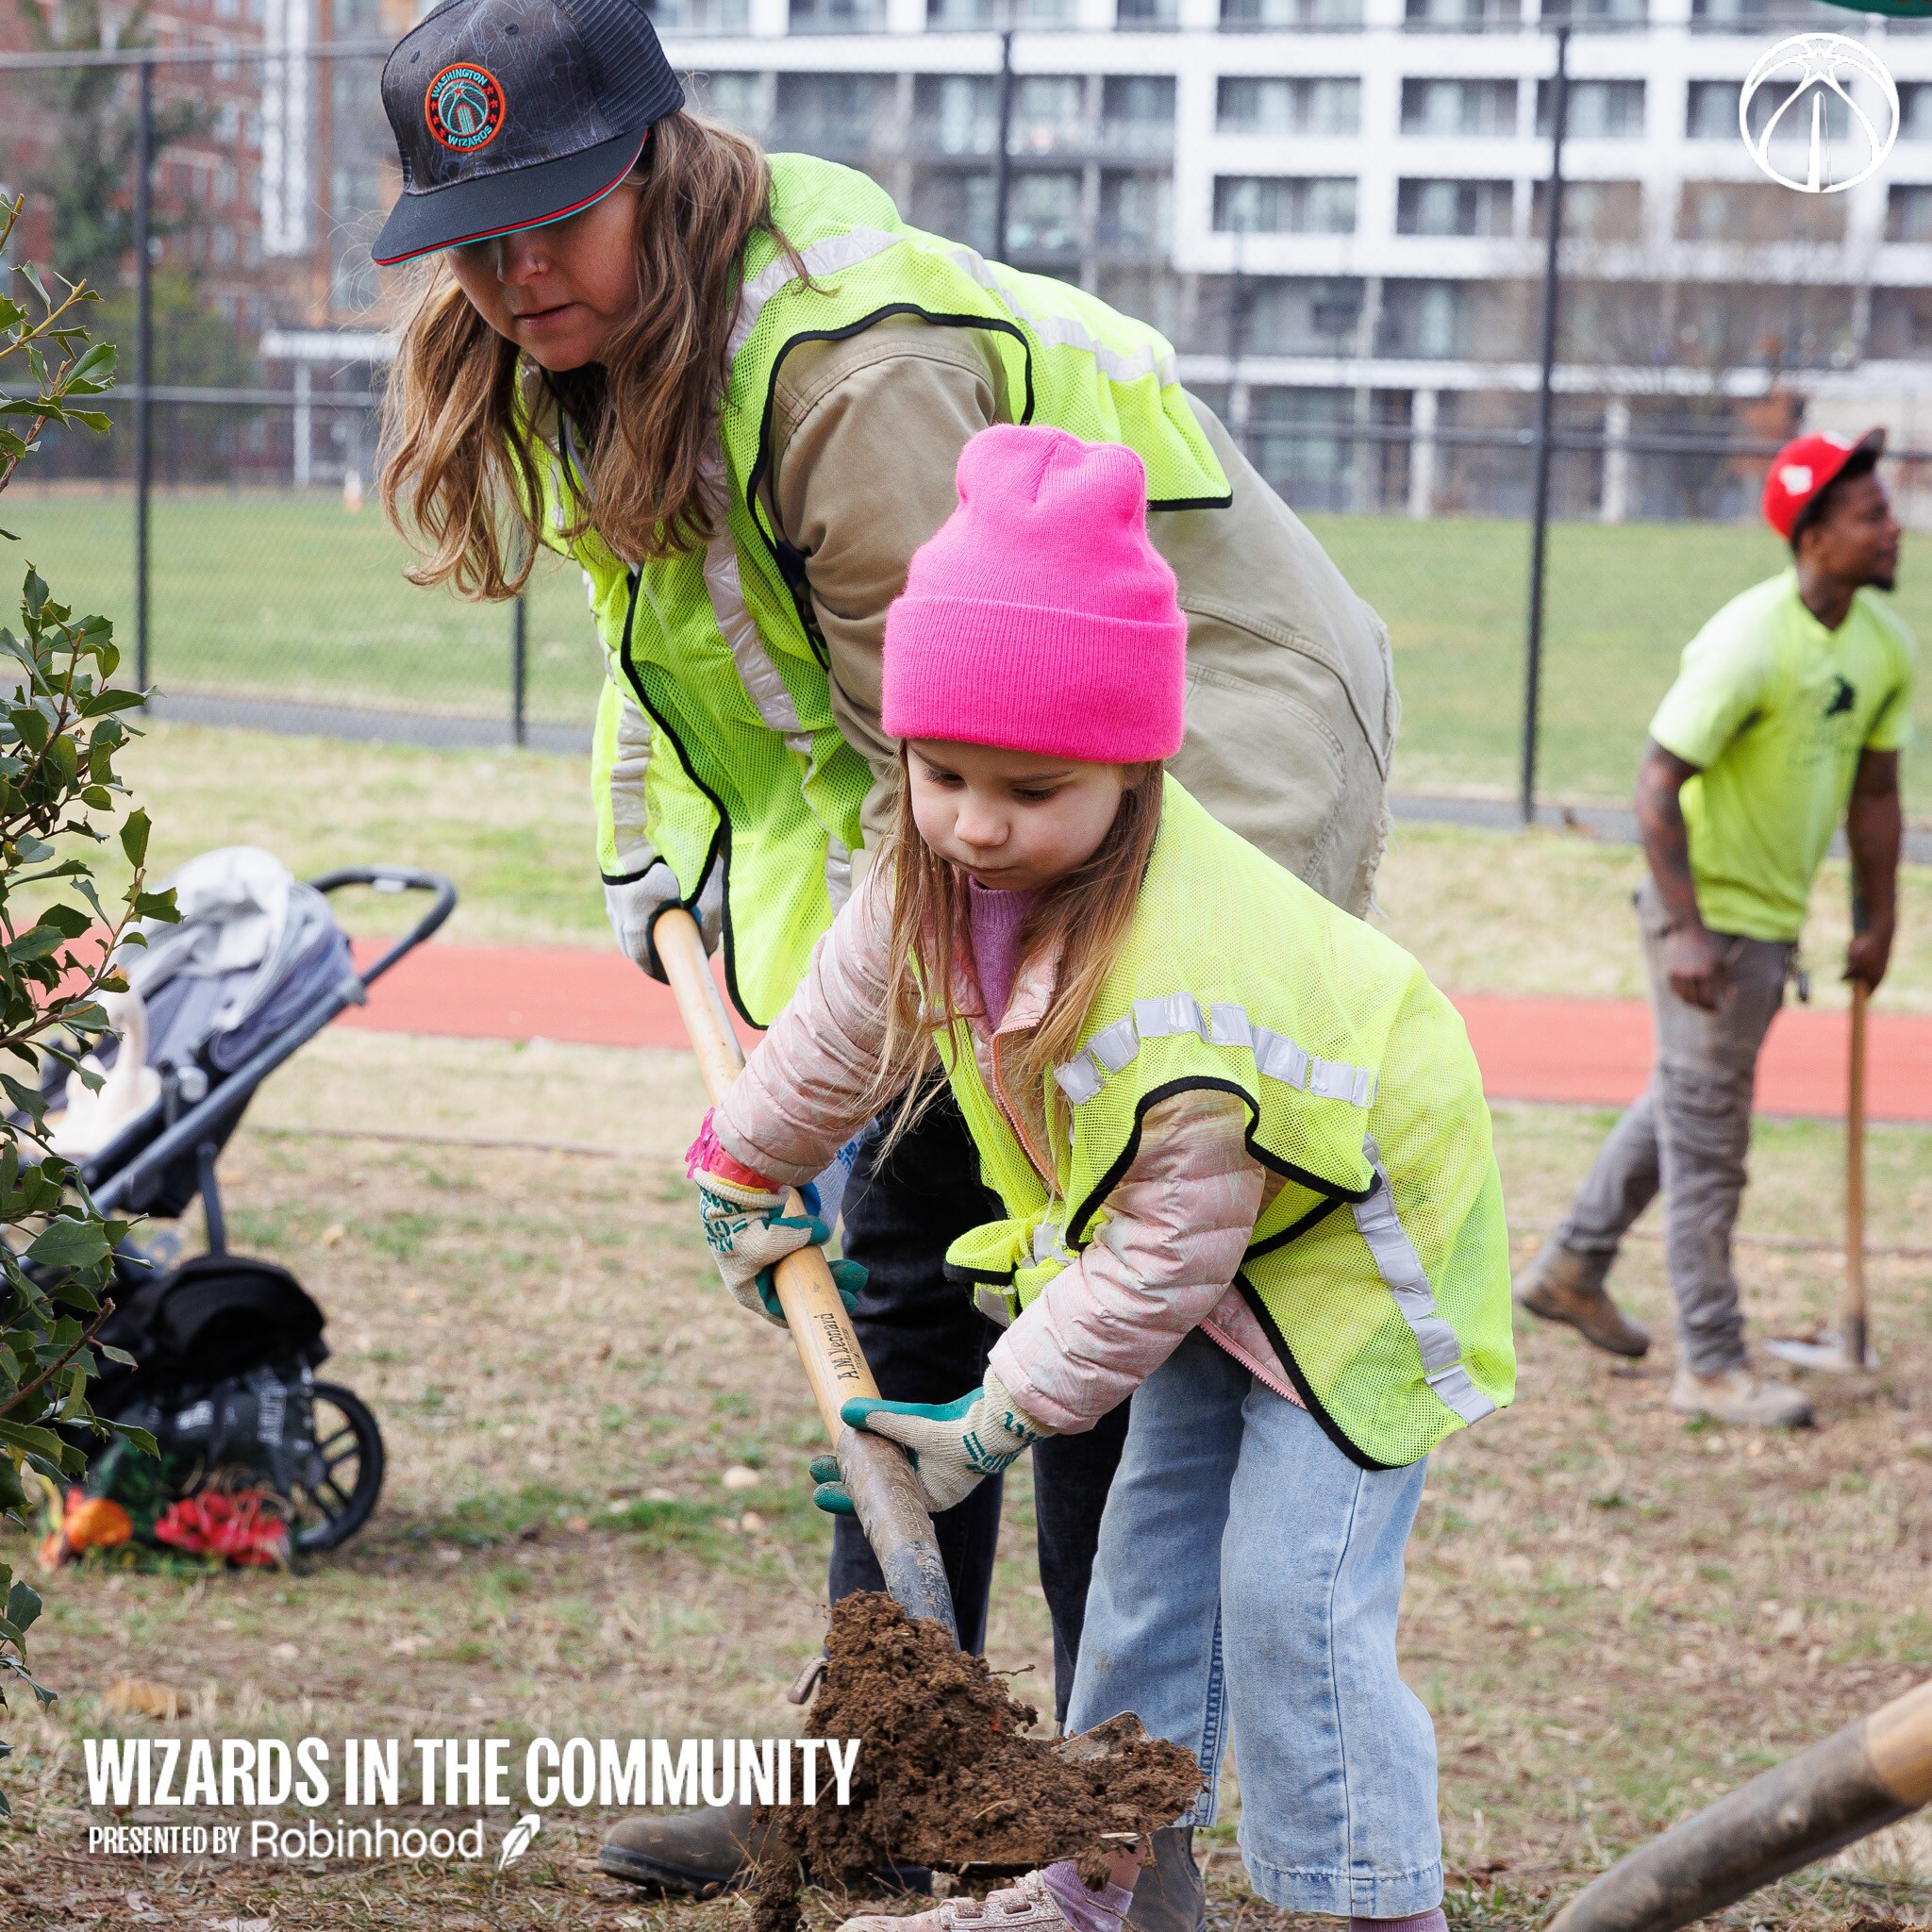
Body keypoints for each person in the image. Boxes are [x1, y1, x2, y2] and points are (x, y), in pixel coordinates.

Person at [373, 0, 1395, 1907]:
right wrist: (649, 865)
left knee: (1088, 1283)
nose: (515, 276)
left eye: (553, 223)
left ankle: (1114, 1832)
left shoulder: (846, 376)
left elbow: (955, 785)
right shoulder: (590, 347)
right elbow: (670, 667)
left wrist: (803, 1104)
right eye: (476, 238)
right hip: (952, 789)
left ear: (653, 167)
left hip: (1189, 735)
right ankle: (875, 1786)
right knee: (910, 1262)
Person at [690, 425, 1515, 1932]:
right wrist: (748, 1161)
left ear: (1132, 771)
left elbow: (1154, 1263)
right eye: (941, 774)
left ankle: (1384, 1910)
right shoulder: (946, 868)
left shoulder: (1180, 993)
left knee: (1288, 1600)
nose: (976, 824)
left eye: (1029, 788)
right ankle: (1089, 1887)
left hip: (1356, 1254)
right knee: (1143, 1574)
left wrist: (991, 1421)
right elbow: (842, 1017)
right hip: (1223, 1240)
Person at [1514, 428, 1913, 1429]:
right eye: (1869, 515)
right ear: (1812, 537)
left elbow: (1873, 794)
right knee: (1709, 1141)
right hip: (1703, 924)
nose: (1893, 526)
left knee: (1686, 1103)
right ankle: (1712, 1359)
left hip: (1768, 925)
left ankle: (1570, 1265)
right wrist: (1684, 930)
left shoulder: (1881, 647)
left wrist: (1877, 917)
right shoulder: (1747, 639)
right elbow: (1655, 782)